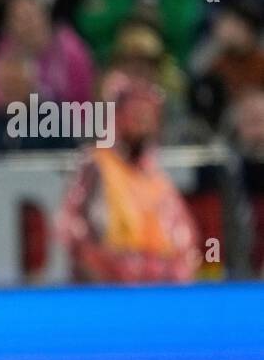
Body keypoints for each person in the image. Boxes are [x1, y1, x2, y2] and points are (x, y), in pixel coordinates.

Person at [57, 71, 200, 284]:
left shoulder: (156, 177)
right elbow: (72, 226)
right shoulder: (98, 165)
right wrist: (95, 268)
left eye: (147, 118)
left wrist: (177, 275)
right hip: (110, 288)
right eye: (135, 117)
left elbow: (183, 238)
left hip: (157, 288)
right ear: (118, 119)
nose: (142, 125)